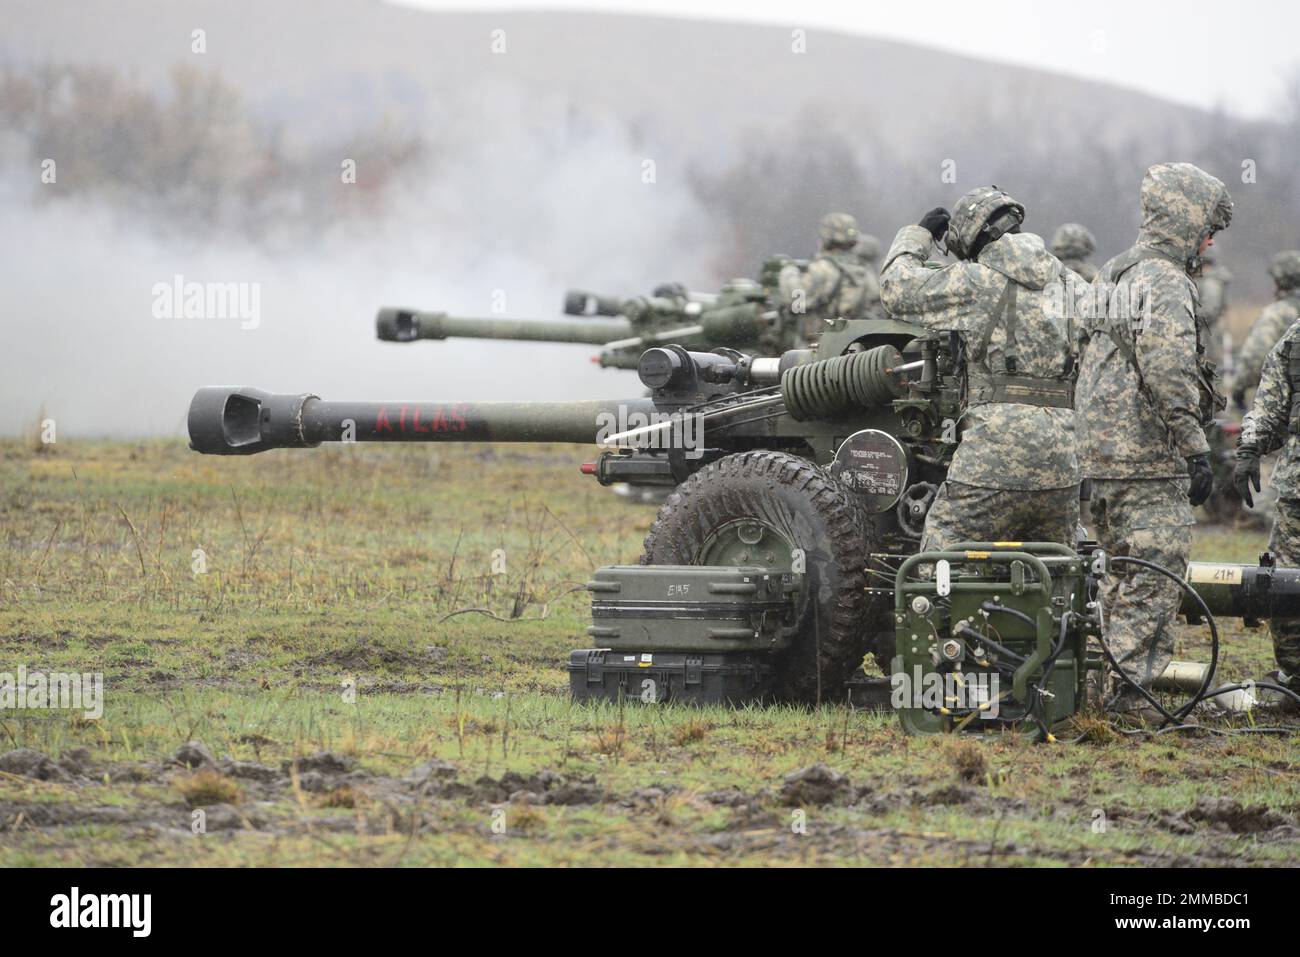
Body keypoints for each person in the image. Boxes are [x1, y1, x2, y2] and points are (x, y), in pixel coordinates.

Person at [1075, 162, 1232, 724]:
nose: (1210, 238)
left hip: (1101, 455)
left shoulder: (1113, 273)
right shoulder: (1165, 280)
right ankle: (1124, 704)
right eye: (1206, 226)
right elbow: (1167, 369)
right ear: (1186, 219)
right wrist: (1194, 447)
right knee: (1153, 577)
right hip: (1148, 455)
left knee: (1119, 575)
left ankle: (1099, 692)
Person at [879, 186, 1081, 552]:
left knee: (938, 566)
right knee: (1054, 576)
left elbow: (895, 290)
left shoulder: (976, 282)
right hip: (1064, 465)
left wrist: (918, 234)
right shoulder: (1072, 286)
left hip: (992, 460)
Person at [1233, 325, 1300, 713]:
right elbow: (1271, 403)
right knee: (1286, 585)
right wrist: (1249, 447)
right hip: (1297, 490)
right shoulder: (1295, 340)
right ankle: (1295, 680)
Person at [779, 212, 883, 343]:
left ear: (826, 238)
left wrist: (788, 271)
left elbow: (796, 303)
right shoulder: (864, 270)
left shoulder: (823, 268)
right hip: (854, 349)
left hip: (820, 350)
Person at [1232, 250, 1300, 409]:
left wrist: (1239, 389)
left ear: (1280, 280)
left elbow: (1254, 359)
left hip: (1285, 405)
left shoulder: (1277, 314)